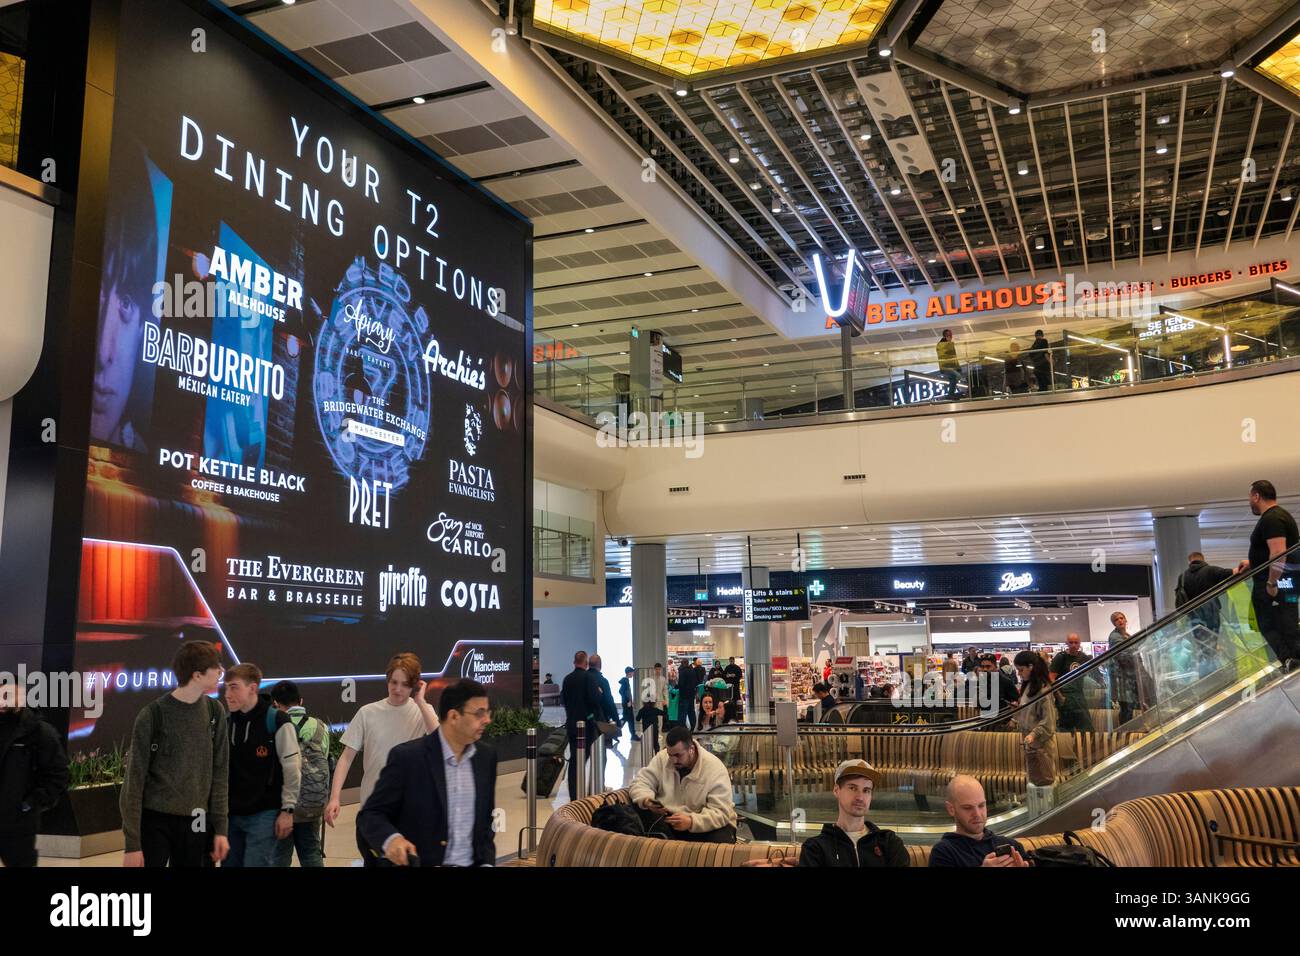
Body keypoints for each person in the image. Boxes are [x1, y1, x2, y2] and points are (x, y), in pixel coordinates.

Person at [357, 679, 497, 867]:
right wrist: (392, 840)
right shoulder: (408, 759)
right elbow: (370, 815)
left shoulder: (485, 758)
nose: (487, 719)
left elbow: (486, 826)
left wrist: (487, 863)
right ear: (454, 716)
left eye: (487, 712)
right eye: (479, 714)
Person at [120, 640, 228, 868]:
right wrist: (132, 844)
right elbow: (134, 782)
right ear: (197, 675)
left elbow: (220, 773)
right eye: (216, 667)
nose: (221, 672)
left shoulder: (214, 712)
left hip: (197, 818)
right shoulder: (152, 715)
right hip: (155, 819)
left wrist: (220, 829)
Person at [326, 652, 439, 865]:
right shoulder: (367, 713)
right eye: (394, 682)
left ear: (414, 685)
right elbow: (346, 758)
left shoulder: (422, 711)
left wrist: (421, 702)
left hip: (410, 810)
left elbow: (440, 742)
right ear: (387, 680)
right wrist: (335, 797)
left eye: (405, 684)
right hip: (374, 809)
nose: (397, 689)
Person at [222, 664, 301, 867]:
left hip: (264, 814)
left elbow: (292, 768)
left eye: (234, 687)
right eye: (226, 688)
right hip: (231, 815)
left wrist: (287, 810)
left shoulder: (277, 721)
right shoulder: (226, 723)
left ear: (253, 688)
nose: (227, 694)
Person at [628, 726, 737, 843]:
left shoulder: (715, 768)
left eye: (678, 755)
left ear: (691, 749)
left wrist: (691, 821)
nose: (673, 760)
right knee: (634, 813)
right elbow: (640, 782)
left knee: (718, 844)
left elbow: (721, 813)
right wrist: (646, 800)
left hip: (705, 823)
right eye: (670, 755)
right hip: (671, 820)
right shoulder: (662, 758)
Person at [0, 682, 69, 867]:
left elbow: (58, 774)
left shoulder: (39, 733)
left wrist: (32, 803)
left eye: (8, 695)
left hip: (19, 827)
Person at [1236, 480, 1300, 671]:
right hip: (1285, 580)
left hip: (1274, 583)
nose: (1250, 502)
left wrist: (1272, 583)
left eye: (1250, 497)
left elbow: (1278, 553)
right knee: (1284, 621)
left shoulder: (1272, 518)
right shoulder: (1280, 516)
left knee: (1272, 623)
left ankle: (1291, 659)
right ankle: (1291, 659)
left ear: (1256, 496)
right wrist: (1253, 563)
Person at [797, 759, 908, 867]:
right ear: (836, 790)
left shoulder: (889, 843)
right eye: (852, 788)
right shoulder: (816, 848)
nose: (860, 797)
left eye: (866, 790)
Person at [269, 680, 329, 868]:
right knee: (311, 852)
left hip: (281, 805)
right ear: (301, 701)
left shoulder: (273, 725)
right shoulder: (320, 727)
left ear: (275, 704)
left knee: (279, 856)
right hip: (311, 803)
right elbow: (324, 758)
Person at [928, 775, 1028, 867]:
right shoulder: (944, 853)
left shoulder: (1011, 846)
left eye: (981, 805)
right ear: (951, 809)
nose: (977, 814)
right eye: (967, 808)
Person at [1178, 551, 1235, 677]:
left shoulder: (1182, 577)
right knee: (1212, 645)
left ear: (1189, 561)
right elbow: (1233, 573)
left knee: (1201, 647)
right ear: (1203, 559)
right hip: (1211, 614)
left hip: (1193, 617)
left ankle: (1205, 676)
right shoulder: (1210, 570)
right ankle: (1214, 675)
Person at [1013, 651, 1058, 798]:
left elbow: (1049, 721)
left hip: (1041, 745)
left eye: (1021, 670)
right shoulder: (1029, 686)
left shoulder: (1043, 690)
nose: (1019, 674)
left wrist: (1033, 734)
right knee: (1036, 780)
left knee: (1044, 782)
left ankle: (1047, 815)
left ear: (1031, 667)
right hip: (1031, 744)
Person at [561, 651, 605, 798]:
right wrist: (599, 692)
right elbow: (595, 700)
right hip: (586, 726)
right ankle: (594, 789)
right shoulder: (589, 677)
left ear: (574, 662)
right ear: (586, 663)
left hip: (572, 726)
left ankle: (575, 794)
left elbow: (564, 701)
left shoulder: (567, 679)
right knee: (594, 756)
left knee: (575, 759)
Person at [1107, 612, 1155, 725]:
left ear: (1125, 619)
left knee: (1138, 705)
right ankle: (1125, 735)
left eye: (1121, 618)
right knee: (1127, 709)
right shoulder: (1114, 637)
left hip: (1133, 678)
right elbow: (1126, 654)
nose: (1119, 620)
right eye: (1116, 620)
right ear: (1114, 623)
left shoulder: (1127, 635)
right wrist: (1140, 642)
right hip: (1124, 681)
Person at [1049, 634, 1096, 731]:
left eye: (1076, 642)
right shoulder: (1061, 657)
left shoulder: (1083, 657)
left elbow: (1093, 672)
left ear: (1079, 644)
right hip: (1065, 696)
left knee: (1086, 726)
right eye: (1071, 642)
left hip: (1079, 695)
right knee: (1066, 728)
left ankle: (1084, 745)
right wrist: (1059, 696)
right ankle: (1068, 746)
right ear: (1066, 643)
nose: (1073, 645)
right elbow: (1051, 678)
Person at [587, 654, 621, 744]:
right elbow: (609, 702)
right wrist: (617, 721)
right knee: (600, 751)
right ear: (600, 666)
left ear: (588, 664)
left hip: (582, 723)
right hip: (600, 722)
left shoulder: (581, 678)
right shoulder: (602, 680)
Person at [978, 654, 1019, 718]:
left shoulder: (1006, 682)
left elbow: (1017, 700)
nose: (985, 669)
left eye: (988, 666)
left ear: (995, 666)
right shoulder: (982, 681)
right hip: (986, 720)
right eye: (982, 667)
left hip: (1002, 721)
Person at [617, 666, 641, 741]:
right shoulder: (625, 681)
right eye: (632, 672)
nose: (633, 673)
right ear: (629, 673)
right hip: (627, 704)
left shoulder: (626, 681)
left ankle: (632, 735)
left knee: (628, 719)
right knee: (626, 719)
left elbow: (623, 692)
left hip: (627, 703)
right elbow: (621, 691)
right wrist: (628, 701)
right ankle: (615, 731)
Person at [936, 328, 961, 399]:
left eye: (951, 335)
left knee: (953, 379)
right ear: (944, 336)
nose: (950, 336)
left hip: (951, 367)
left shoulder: (948, 344)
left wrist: (958, 366)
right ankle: (950, 394)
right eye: (948, 335)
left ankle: (951, 394)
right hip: (945, 367)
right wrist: (949, 344)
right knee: (957, 376)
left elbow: (954, 357)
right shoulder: (941, 344)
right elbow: (945, 355)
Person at [676, 657, 699, 731]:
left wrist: (676, 687)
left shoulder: (682, 672)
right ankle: (693, 726)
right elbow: (696, 682)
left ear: (683, 663)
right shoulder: (692, 671)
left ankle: (682, 728)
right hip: (691, 695)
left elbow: (681, 684)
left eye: (681, 663)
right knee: (691, 711)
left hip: (684, 695)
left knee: (683, 712)